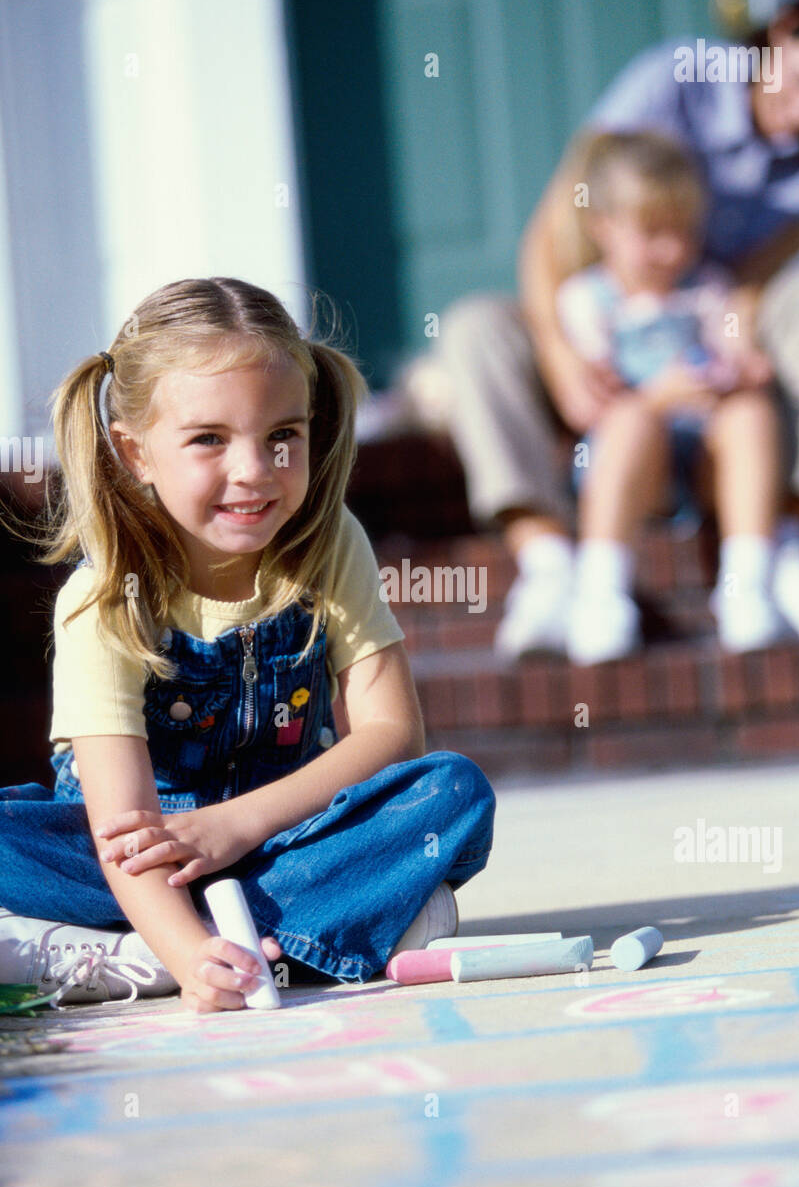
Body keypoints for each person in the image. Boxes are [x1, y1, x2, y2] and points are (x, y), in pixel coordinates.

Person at [0, 277, 495, 1012]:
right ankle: (211, 949)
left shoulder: (328, 546)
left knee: (450, 792)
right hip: (128, 866)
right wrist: (189, 955)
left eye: (281, 437)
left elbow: (394, 733)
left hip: (279, 846)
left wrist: (234, 825)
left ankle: (148, 950)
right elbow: (121, 833)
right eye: (208, 440)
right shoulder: (102, 597)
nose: (254, 473)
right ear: (136, 451)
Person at [424, 0, 799, 658]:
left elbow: (747, 286)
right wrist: (560, 353)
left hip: (709, 351)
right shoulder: (673, 80)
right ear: (783, 28)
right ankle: (549, 564)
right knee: (472, 328)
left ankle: (787, 544)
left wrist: (735, 348)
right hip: (599, 337)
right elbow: (553, 229)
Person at [557, 129, 787, 662]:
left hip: (706, 461)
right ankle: (600, 594)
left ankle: (748, 586)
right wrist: (662, 397)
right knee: (633, 418)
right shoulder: (586, 300)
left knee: (750, 413)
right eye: (654, 232)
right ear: (603, 227)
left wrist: (740, 368)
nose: (673, 249)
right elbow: (598, 403)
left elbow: (734, 346)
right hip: (633, 470)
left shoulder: (707, 289)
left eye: (684, 233)